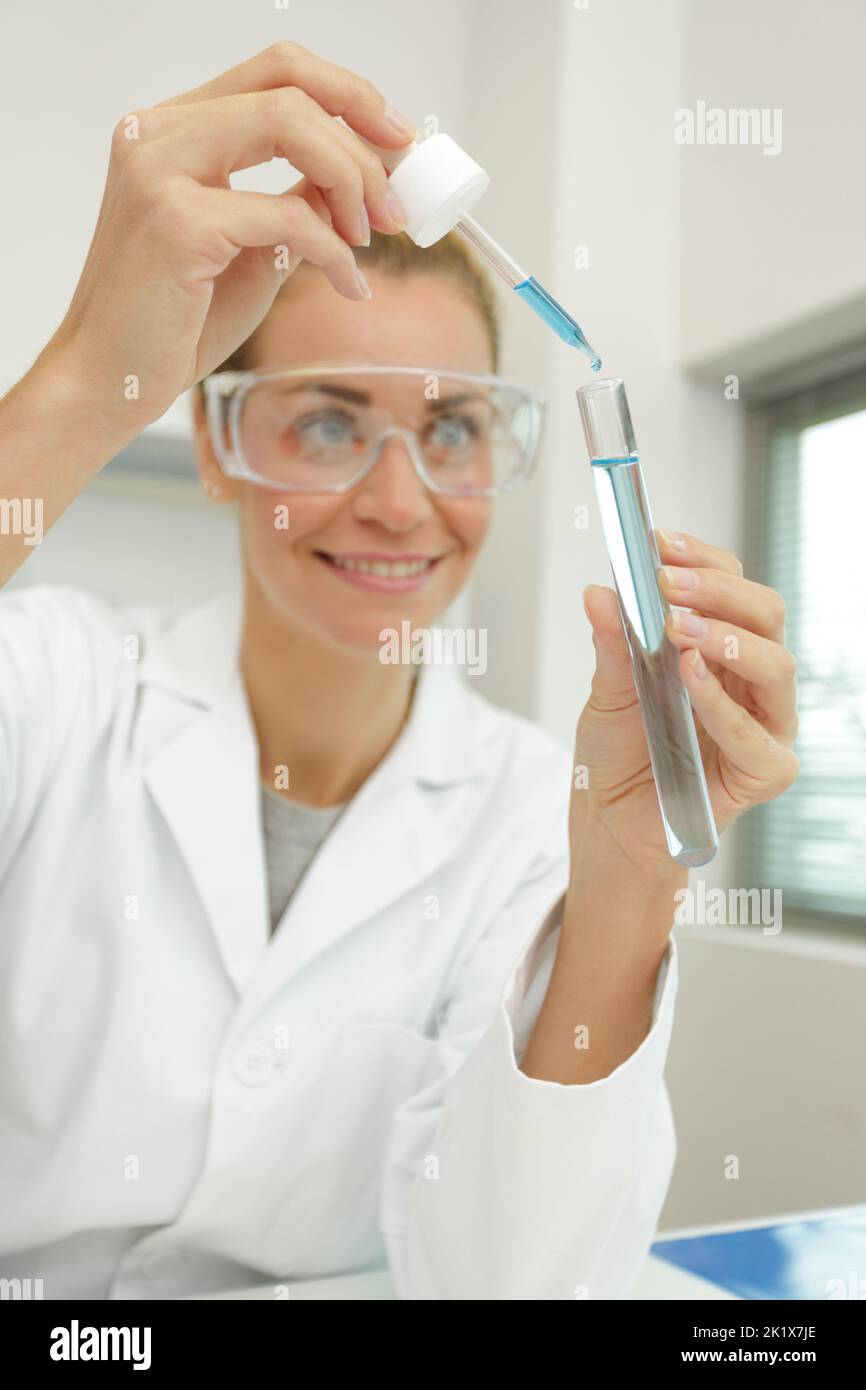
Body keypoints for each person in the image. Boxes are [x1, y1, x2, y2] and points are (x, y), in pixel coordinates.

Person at [0, 42, 798, 1301]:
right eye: (325, 421)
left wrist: (628, 884)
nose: (395, 499)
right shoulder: (52, 686)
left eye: (449, 427)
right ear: (216, 446)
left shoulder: (543, 816)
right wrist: (93, 377)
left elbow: (517, 1282)